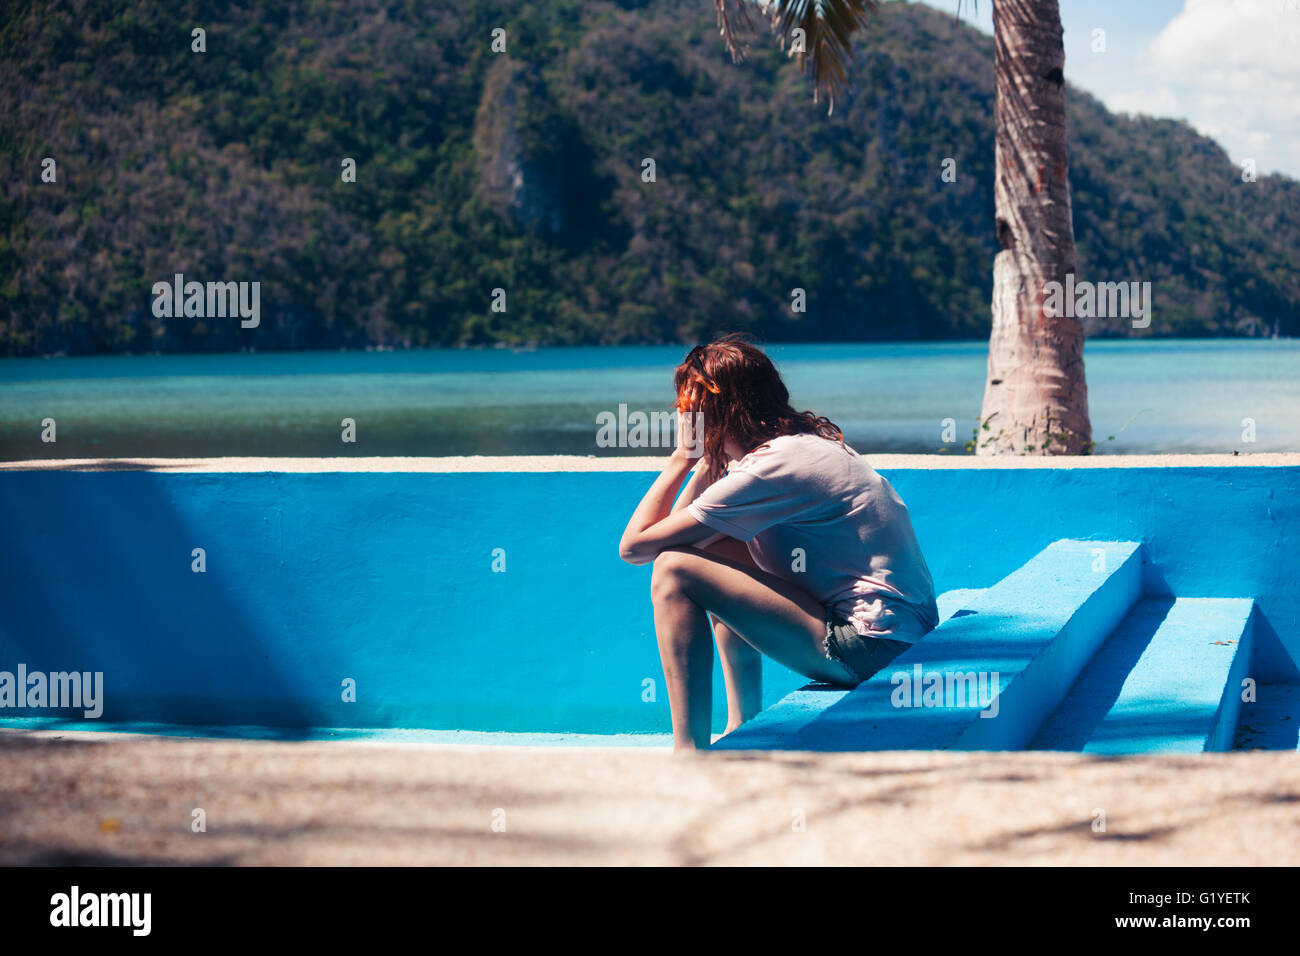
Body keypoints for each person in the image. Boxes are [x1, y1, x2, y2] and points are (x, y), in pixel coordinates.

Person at [618, 335, 939, 752]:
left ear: (712, 414)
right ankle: (743, 726)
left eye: (688, 410)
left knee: (675, 571)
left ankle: (689, 754)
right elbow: (690, 534)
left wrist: (684, 457)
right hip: (900, 637)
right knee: (711, 555)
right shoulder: (799, 446)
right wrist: (711, 459)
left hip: (873, 647)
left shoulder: (768, 469)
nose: (683, 419)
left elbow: (638, 547)